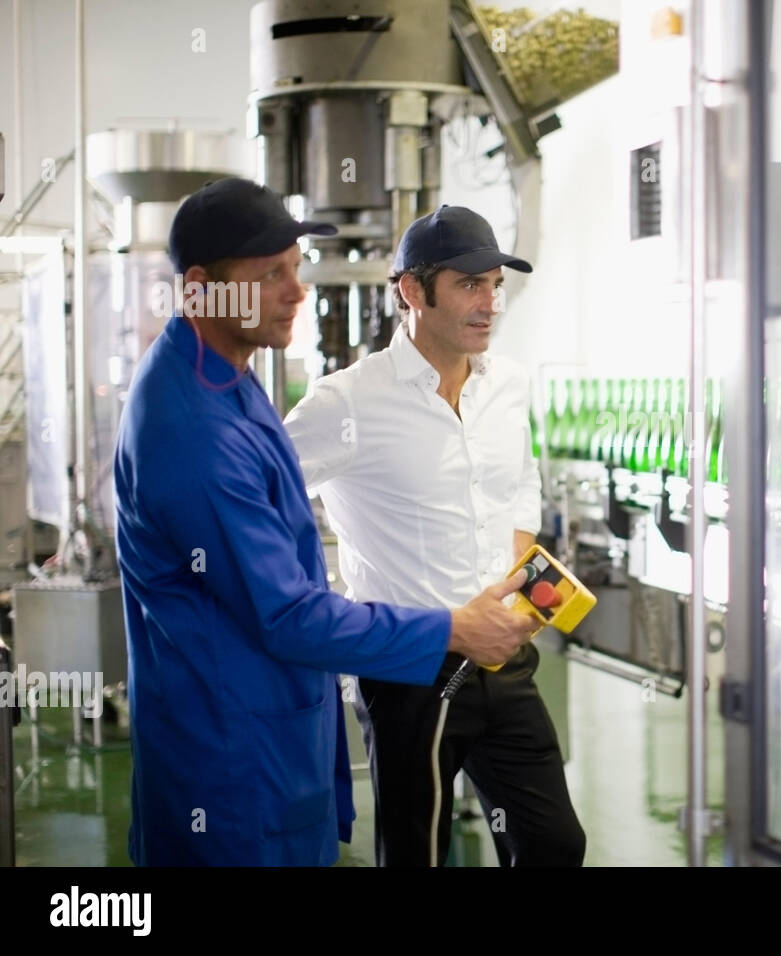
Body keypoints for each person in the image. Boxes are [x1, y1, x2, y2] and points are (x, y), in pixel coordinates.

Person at [114, 179, 535, 866]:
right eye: (271, 274)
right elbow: (286, 616)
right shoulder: (192, 432)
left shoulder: (227, 374)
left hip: (278, 739)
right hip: (229, 769)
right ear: (200, 288)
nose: (297, 290)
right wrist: (453, 627)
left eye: (297, 267)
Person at [285, 205, 585, 867]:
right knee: (417, 853)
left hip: (503, 663)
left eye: (495, 285)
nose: (489, 303)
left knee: (555, 844)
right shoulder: (346, 402)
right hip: (412, 670)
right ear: (412, 292)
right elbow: (256, 496)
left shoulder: (507, 384)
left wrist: (518, 594)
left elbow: (517, 489)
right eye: (469, 284)